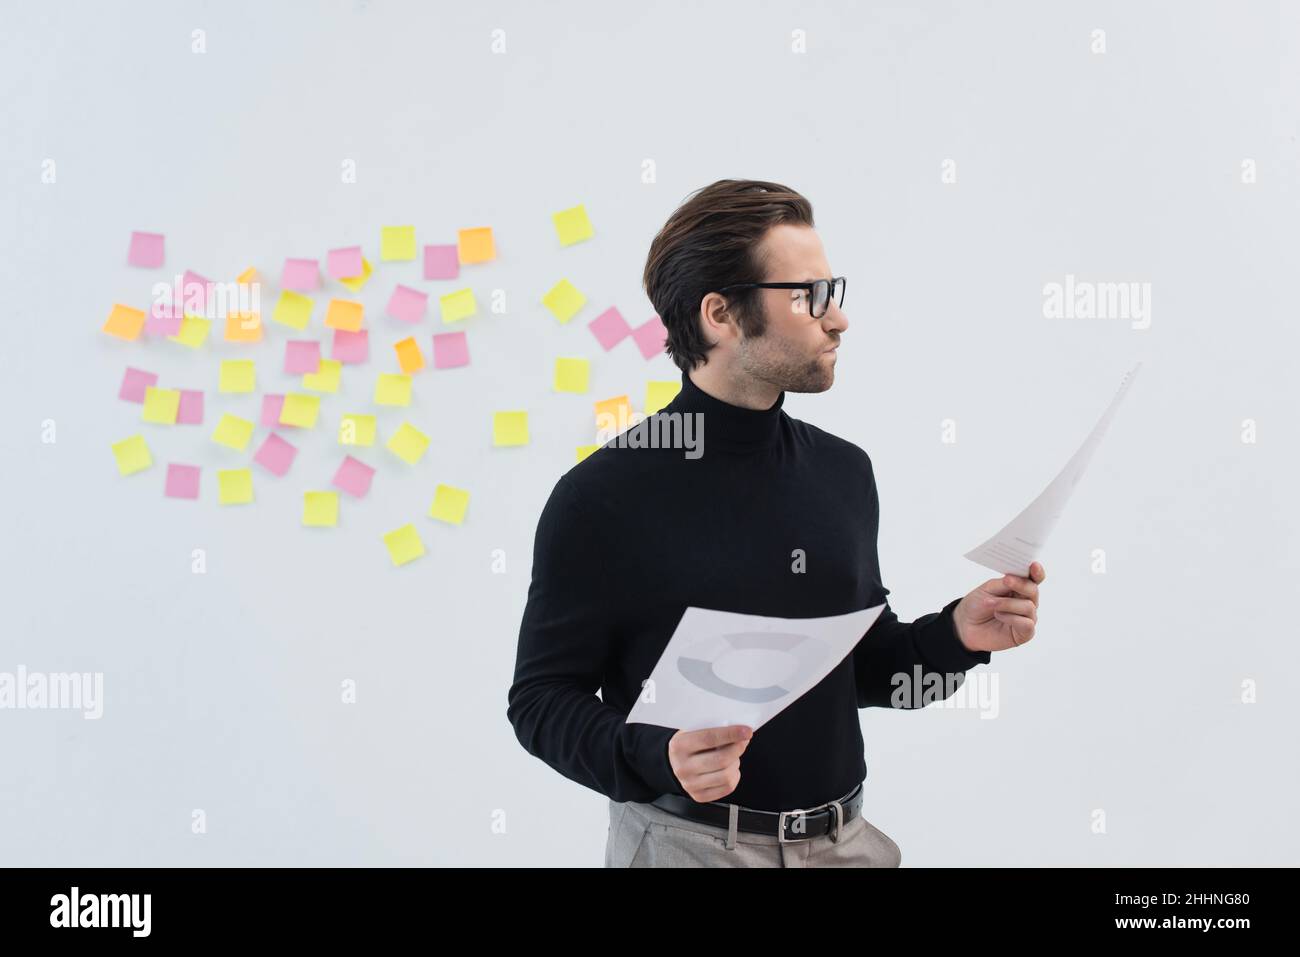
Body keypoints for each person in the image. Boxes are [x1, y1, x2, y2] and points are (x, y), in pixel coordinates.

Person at [506, 179, 1046, 867]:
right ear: (721, 315)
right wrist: (656, 756)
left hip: (846, 845)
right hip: (687, 848)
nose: (838, 318)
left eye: (833, 291)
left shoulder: (843, 473)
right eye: (807, 296)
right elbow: (540, 700)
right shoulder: (601, 498)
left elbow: (856, 671)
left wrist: (957, 638)